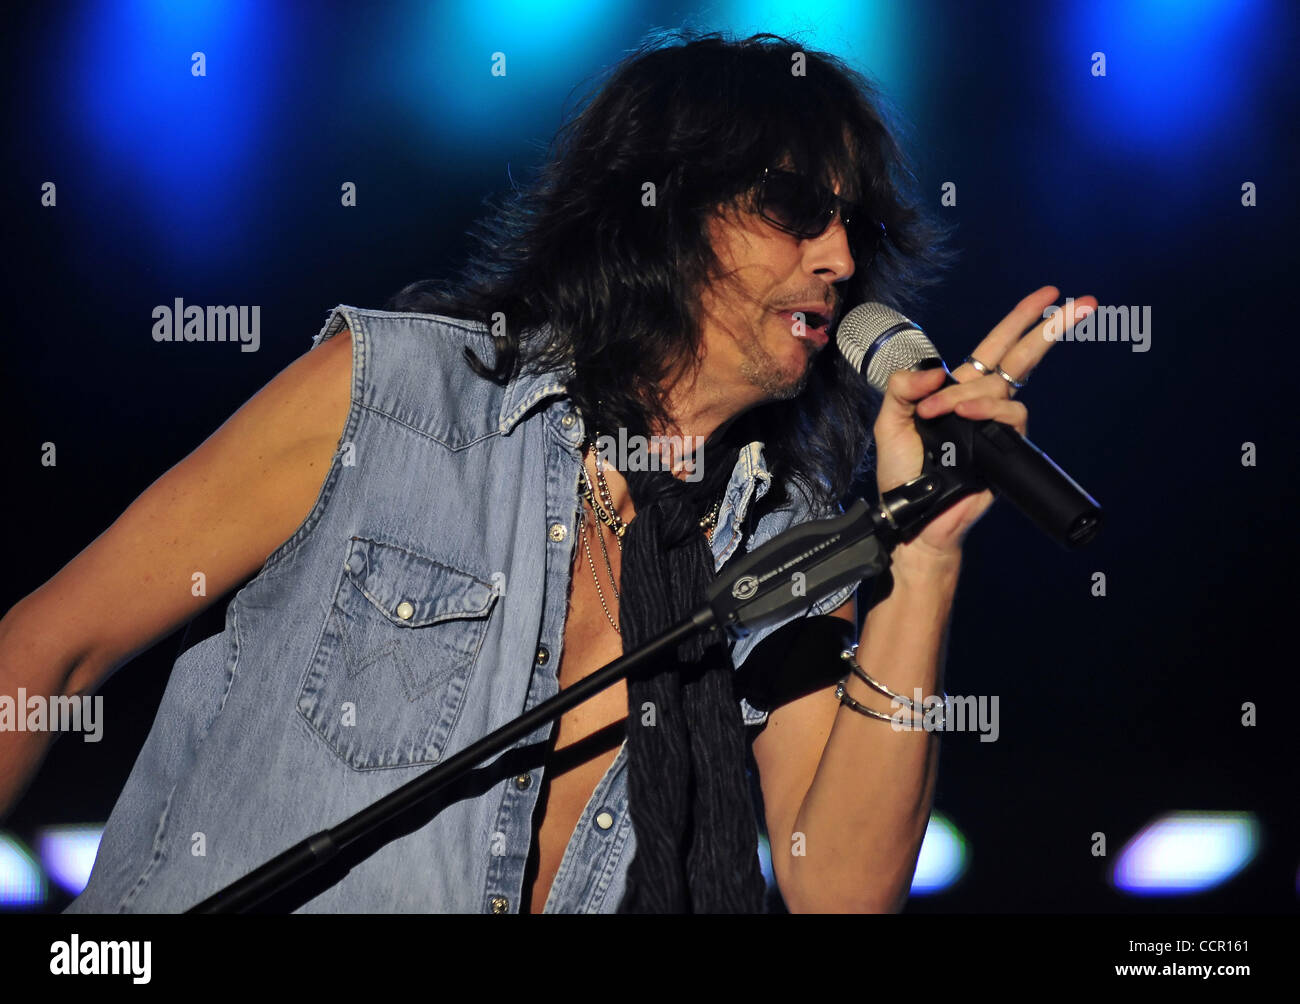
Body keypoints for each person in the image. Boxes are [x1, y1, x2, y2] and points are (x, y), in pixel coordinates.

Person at [0, 31, 1094, 913]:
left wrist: (927, 552)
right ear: (659, 215)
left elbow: (841, 888)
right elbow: (50, 645)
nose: (841, 259)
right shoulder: (393, 396)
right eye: (796, 208)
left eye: (853, 225)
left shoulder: (784, 544)